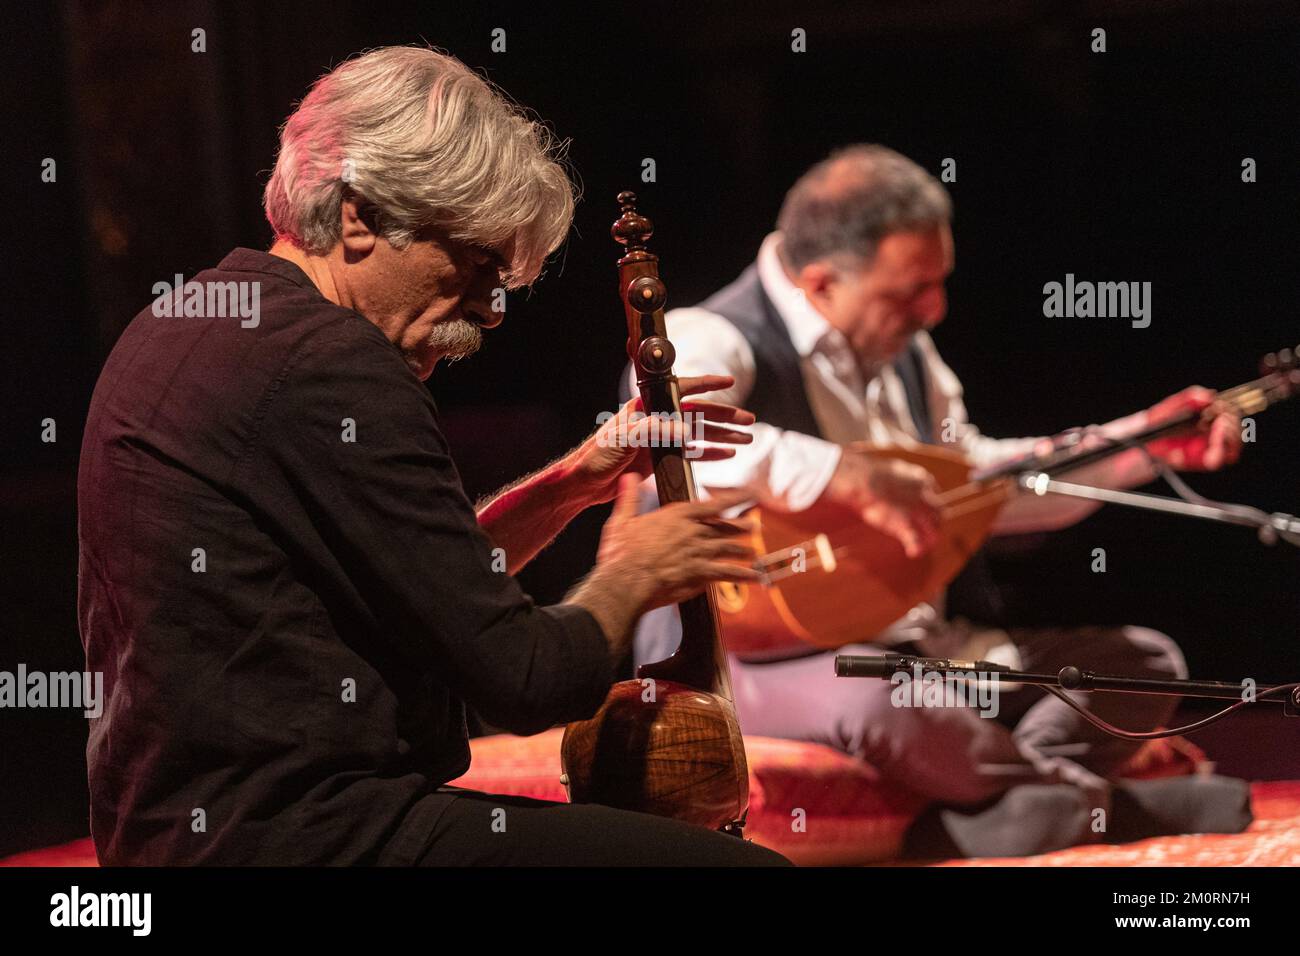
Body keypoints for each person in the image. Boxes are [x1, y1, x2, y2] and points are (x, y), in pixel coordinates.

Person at [77, 46, 799, 866]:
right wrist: (636, 567)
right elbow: (524, 678)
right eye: (477, 265)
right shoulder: (333, 366)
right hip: (309, 838)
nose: (491, 313)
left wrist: (574, 482)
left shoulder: (185, 323)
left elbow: (433, 594)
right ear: (358, 216)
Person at [629, 144, 1252, 856]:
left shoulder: (908, 355)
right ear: (820, 282)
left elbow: (973, 488)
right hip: (759, 657)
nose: (935, 310)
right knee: (892, 704)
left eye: (938, 283)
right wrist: (846, 475)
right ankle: (1106, 806)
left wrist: (1140, 446)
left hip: (916, 646)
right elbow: (668, 444)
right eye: (908, 292)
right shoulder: (711, 337)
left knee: (1143, 666)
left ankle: (993, 814)